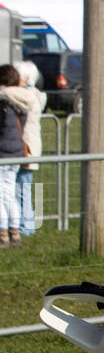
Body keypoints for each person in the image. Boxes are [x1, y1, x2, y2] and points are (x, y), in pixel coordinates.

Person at [5, 61, 46, 235]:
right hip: (24, 147)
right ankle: (22, 224)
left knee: (23, 189)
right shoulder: (31, 95)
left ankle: (26, 226)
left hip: (26, 148)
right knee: (20, 188)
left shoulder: (26, 97)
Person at [0, 65, 28, 246]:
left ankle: (3, 233)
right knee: (10, 194)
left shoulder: (3, 103)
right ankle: (15, 231)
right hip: (17, 152)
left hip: (3, 153)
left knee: (1, 196)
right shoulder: (22, 102)